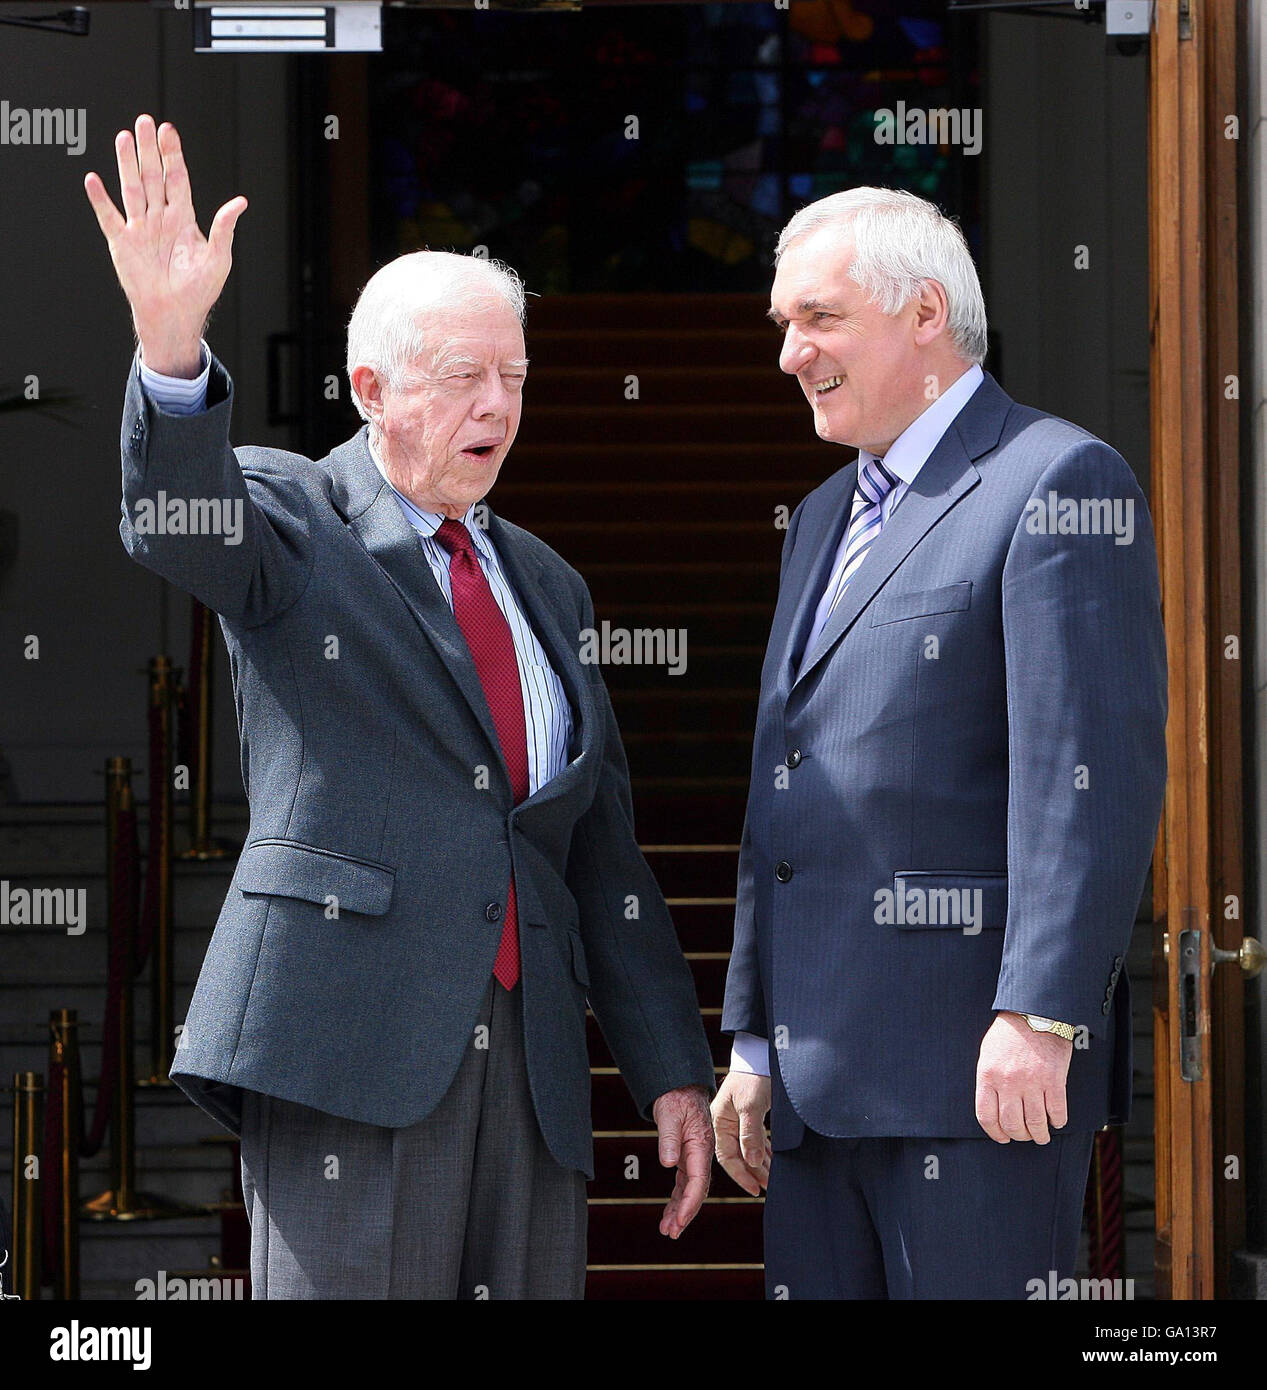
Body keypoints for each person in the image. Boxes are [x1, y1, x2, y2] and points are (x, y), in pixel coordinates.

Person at [85, 114, 715, 1300]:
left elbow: (602, 857)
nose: (500, 403)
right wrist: (171, 350)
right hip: (350, 1051)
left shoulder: (551, 583)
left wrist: (671, 1069)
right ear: (372, 390)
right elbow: (178, 518)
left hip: (528, 1078)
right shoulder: (291, 517)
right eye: (466, 377)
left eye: (515, 376)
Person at [711, 187, 1167, 1300]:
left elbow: (1088, 779)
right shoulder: (820, 517)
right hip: (817, 1097)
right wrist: (753, 1041)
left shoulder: (1055, 480)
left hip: (978, 1081)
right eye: (781, 324)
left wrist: (1040, 1010)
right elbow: (788, 796)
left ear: (923, 315)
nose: (789, 353)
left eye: (816, 318)